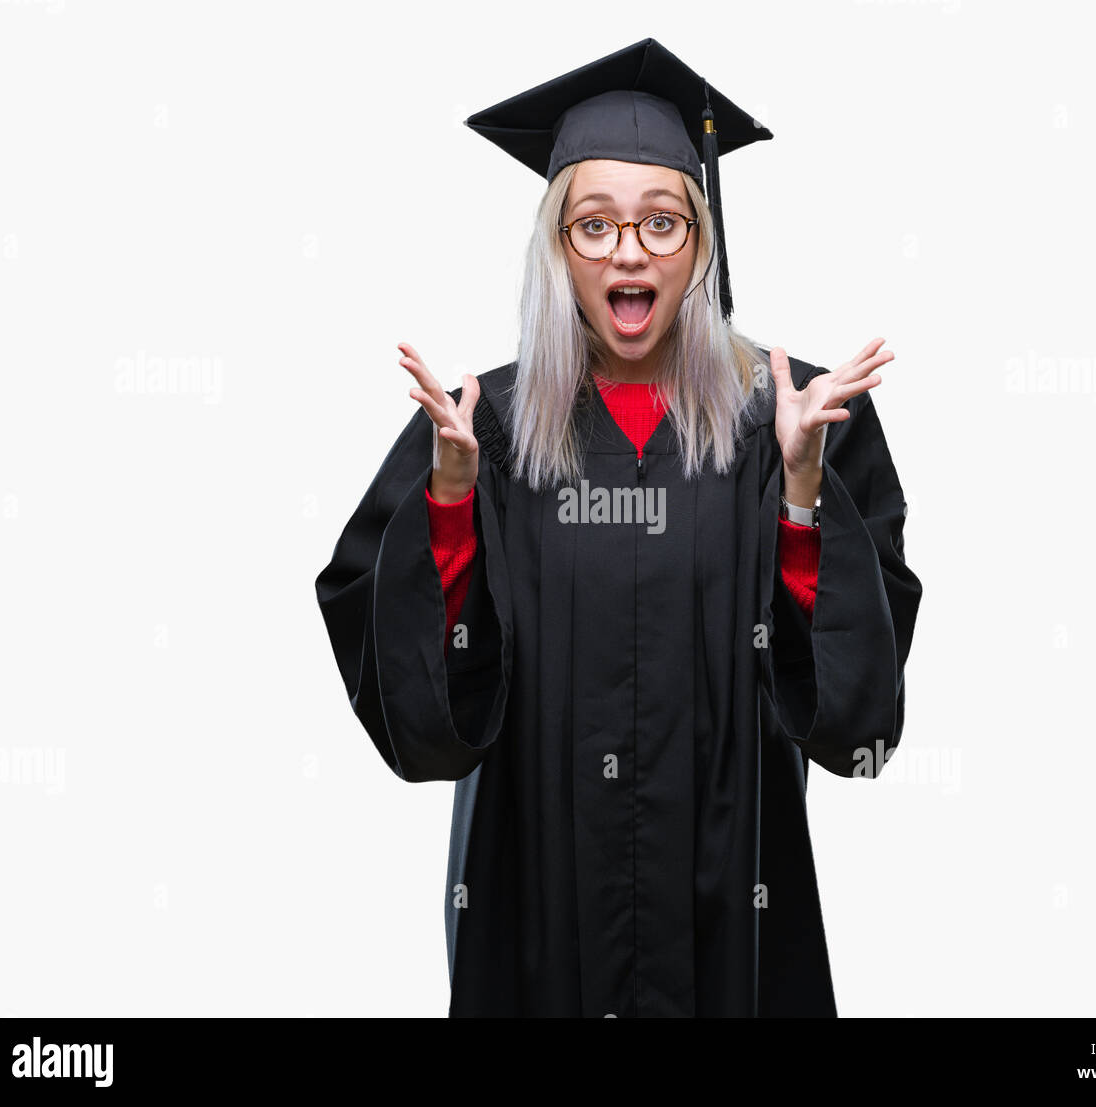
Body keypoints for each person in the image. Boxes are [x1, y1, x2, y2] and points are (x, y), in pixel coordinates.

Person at [314, 38, 922, 1017]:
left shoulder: (792, 417)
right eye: (591, 226)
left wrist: (803, 492)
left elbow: (857, 723)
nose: (627, 250)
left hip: (736, 909)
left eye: (659, 222)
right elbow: (423, 729)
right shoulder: (484, 428)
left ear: (700, 243)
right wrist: (452, 501)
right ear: (556, 249)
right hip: (537, 906)